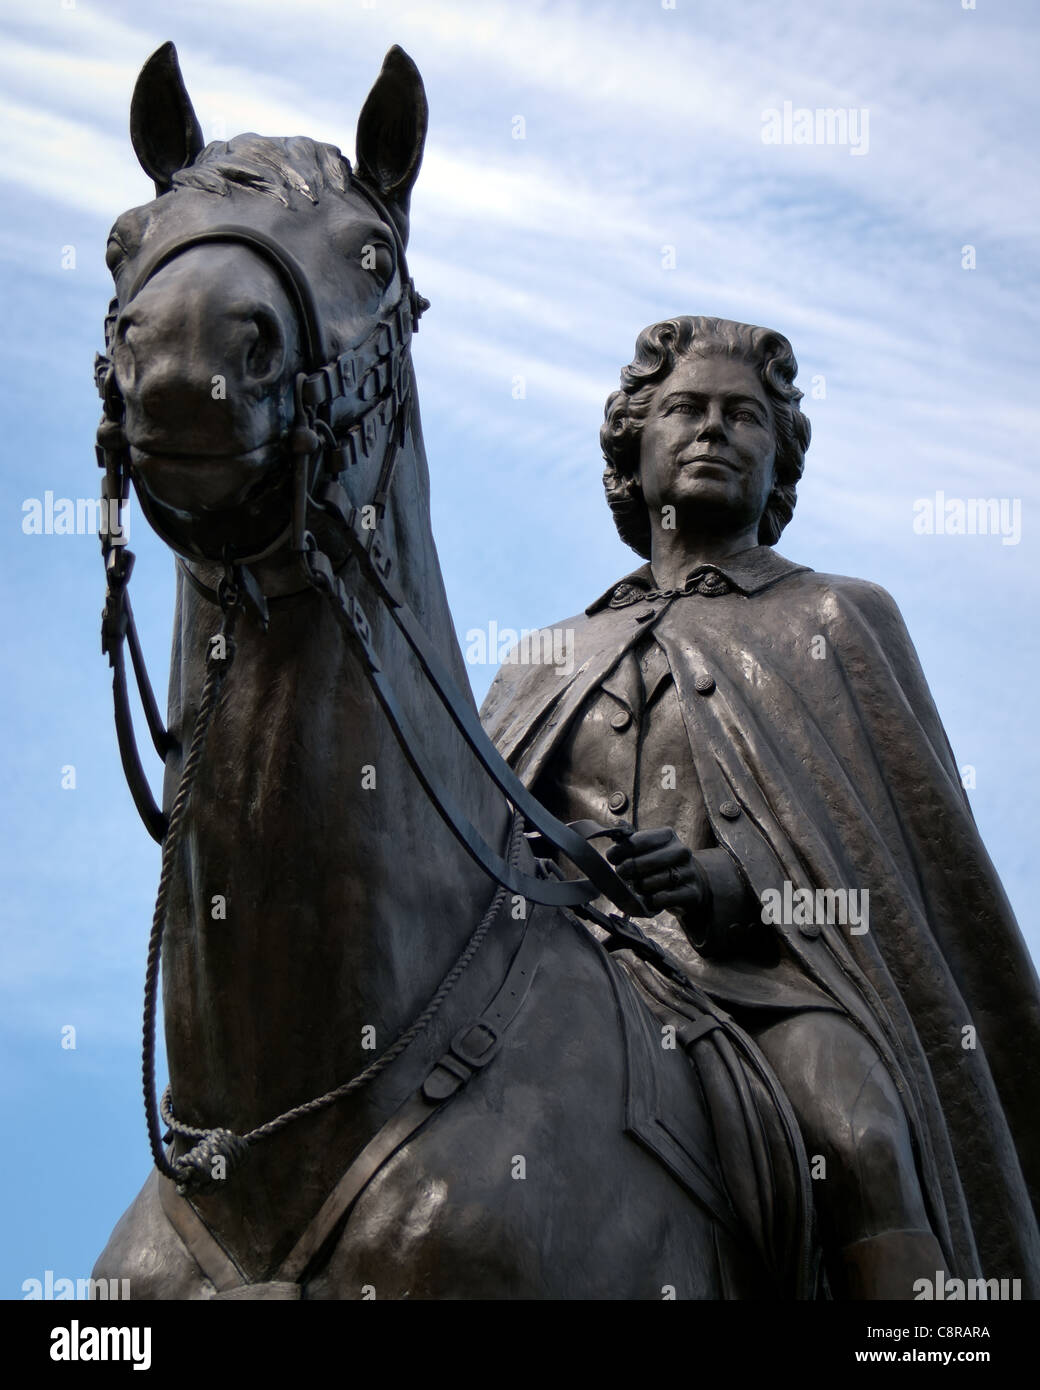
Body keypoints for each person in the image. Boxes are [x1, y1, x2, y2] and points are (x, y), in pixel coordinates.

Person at [480, 315, 1040, 1298]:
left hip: (757, 985)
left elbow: (889, 867)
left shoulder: (834, 617)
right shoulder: (542, 655)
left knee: (859, 1137)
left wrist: (720, 880)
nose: (711, 430)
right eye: (684, 410)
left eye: (742, 417)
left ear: (776, 462)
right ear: (633, 446)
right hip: (550, 985)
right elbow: (462, 846)